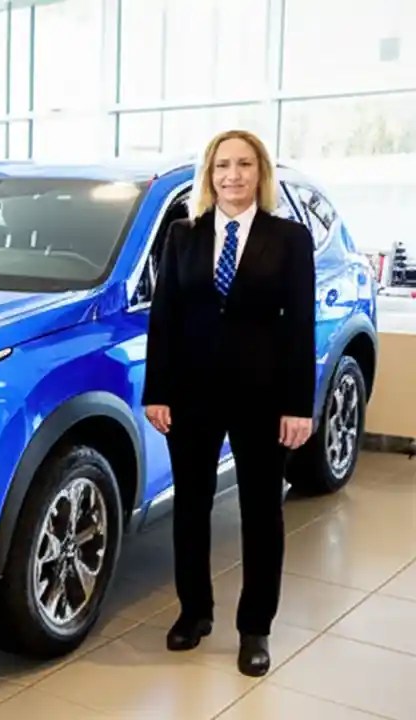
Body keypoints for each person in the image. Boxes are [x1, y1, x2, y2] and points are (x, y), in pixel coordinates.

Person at [143, 128, 316, 677]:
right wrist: (157, 391)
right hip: (191, 398)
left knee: (261, 515)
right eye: (222, 166)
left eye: (244, 165)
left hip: (263, 399)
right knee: (190, 509)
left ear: (260, 173)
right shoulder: (182, 235)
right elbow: (164, 317)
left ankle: (254, 628)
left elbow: (300, 328)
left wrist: (298, 405)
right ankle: (194, 613)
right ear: (209, 174)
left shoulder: (288, 239)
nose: (232, 175)